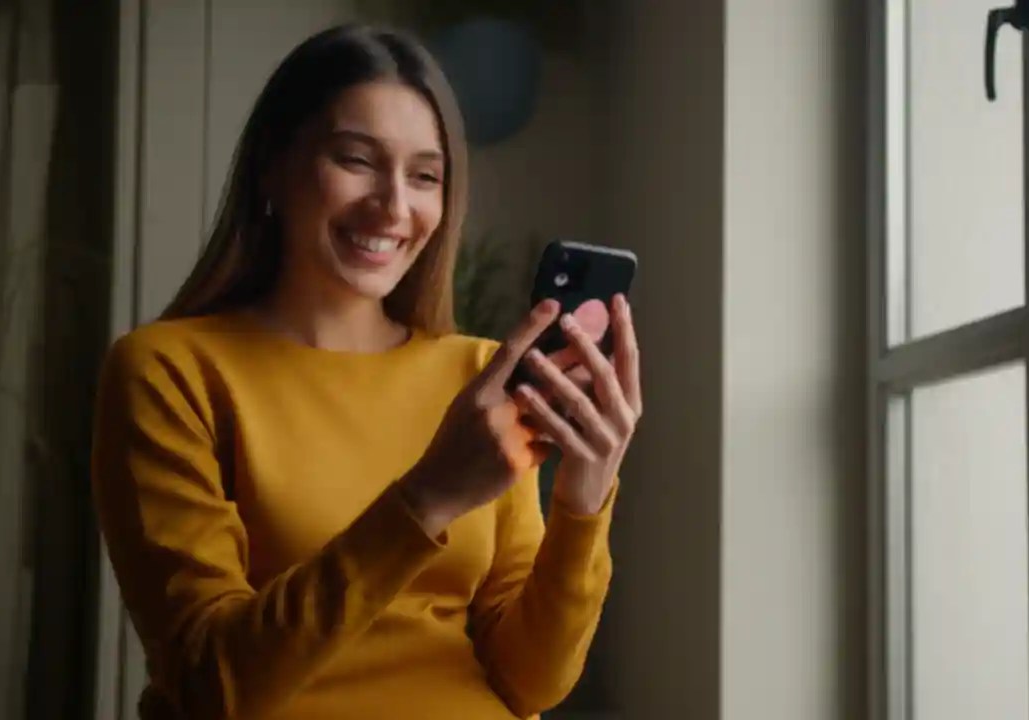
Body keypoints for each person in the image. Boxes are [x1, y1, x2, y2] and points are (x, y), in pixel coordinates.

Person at [91, 24, 641, 720]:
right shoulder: (169, 371)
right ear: (272, 165)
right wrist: (426, 499)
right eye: (356, 159)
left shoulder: (477, 375)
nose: (393, 206)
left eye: (424, 176)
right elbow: (210, 684)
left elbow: (531, 681)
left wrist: (584, 504)